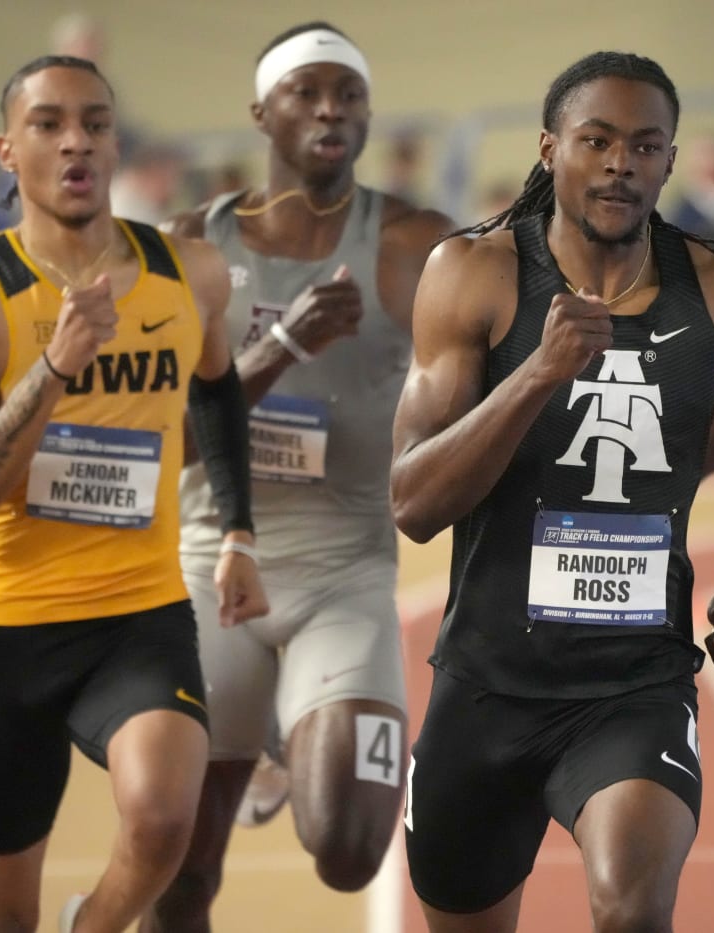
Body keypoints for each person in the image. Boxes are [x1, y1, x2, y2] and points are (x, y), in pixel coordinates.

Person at [390, 50, 714, 931]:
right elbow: (414, 504)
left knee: (630, 908)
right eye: (597, 140)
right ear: (549, 149)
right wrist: (538, 372)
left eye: (646, 145)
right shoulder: (476, 275)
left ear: (671, 161)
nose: (621, 162)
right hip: (486, 685)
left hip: (634, 685)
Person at [0, 55, 266, 933]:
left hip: (139, 615)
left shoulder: (191, 273)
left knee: (163, 819)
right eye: (49, 123)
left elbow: (216, 389)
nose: (77, 141)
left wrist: (239, 530)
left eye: (96, 124)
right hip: (12, 626)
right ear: (7, 149)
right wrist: (57, 366)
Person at [146, 22, 455, 927]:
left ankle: (287, 727)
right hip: (212, 569)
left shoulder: (415, 243)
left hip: (345, 573)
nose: (331, 110)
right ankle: (274, 715)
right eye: (307, 93)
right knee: (182, 872)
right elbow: (174, 441)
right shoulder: (188, 245)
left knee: (351, 849)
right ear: (260, 114)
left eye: (348, 95)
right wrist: (281, 346)